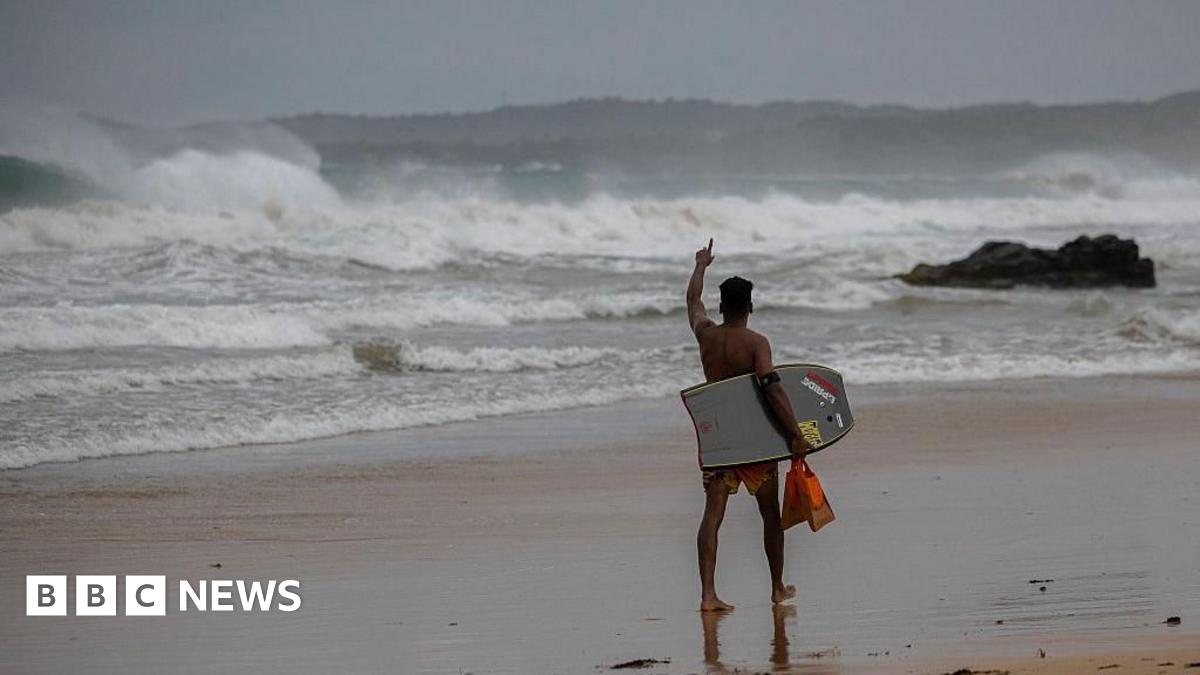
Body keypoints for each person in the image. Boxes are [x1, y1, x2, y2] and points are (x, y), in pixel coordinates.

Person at [686, 238, 810, 612]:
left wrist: (700, 266)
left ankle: (708, 595)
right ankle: (776, 588)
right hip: (756, 442)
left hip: (721, 439)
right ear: (751, 307)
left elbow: (692, 303)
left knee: (713, 515)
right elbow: (771, 389)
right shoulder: (757, 343)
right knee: (769, 514)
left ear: (722, 306)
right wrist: (794, 432)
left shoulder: (706, 334)